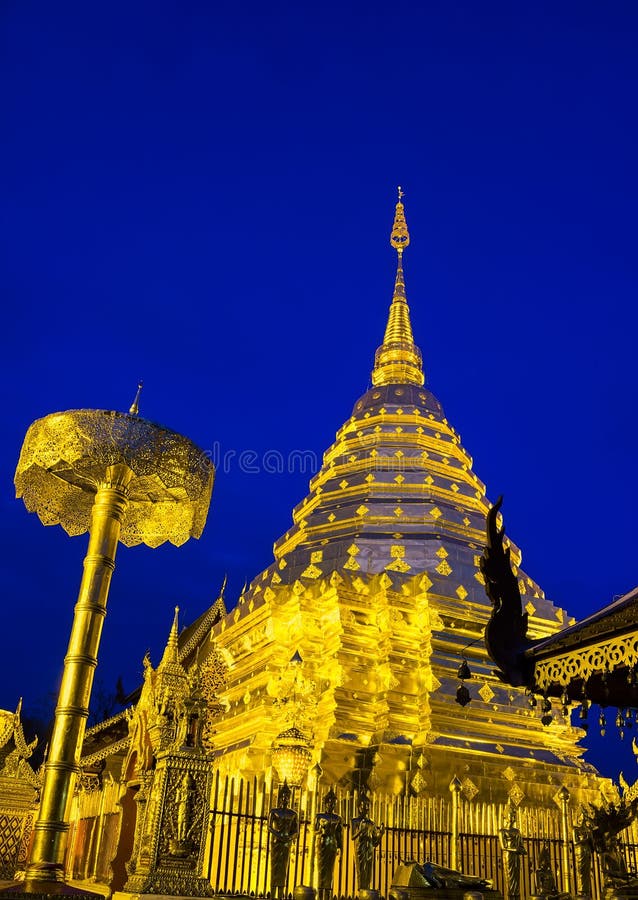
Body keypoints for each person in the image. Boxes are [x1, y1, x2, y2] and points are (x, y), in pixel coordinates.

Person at [268, 781, 299, 898]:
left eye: (287, 797)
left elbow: (296, 831)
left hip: (286, 842)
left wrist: (289, 837)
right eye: (283, 796)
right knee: (275, 866)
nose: (285, 799)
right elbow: (269, 827)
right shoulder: (274, 812)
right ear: (280, 797)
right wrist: (278, 834)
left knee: (283, 867)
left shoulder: (293, 814)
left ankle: (280, 894)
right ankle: (272, 894)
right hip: (276, 841)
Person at [351, 793, 384, 892]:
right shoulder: (355, 821)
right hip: (360, 849)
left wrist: (381, 834)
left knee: (368, 871)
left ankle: (367, 890)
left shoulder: (371, 823)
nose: (366, 808)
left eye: (367, 805)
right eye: (363, 805)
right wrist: (360, 830)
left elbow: (375, 842)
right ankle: (361, 890)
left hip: (369, 849)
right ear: (359, 807)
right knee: (361, 870)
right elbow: (352, 837)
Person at [315, 789, 343, 900]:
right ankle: (320, 892)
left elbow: (339, 835)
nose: (331, 805)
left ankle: (327, 893)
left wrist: (341, 849)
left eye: (333, 803)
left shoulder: (338, 818)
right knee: (321, 869)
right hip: (321, 843)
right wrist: (321, 831)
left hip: (332, 844)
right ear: (325, 803)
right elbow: (313, 831)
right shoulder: (319, 816)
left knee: (329, 870)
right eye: (329, 803)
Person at [499, 805, 526, 900]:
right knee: (509, 876)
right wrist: (515, 850)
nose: (513, 818)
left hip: (516, 857)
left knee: (516, 876)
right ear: (506, 817)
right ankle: (510, 895)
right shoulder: (502, 831)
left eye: (514, 816)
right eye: (511, 815)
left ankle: (517, 894)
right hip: (508, 856)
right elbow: (503, 847)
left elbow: (521, 845)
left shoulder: (517, 831)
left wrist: (522, 850)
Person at [573, 806, 593, 898]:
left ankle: (587, 890)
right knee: (581, 871)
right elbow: (575, 842)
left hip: (587, 851)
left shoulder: (588, 830)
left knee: (587, 872)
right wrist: (585, 839)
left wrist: (590, 837)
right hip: (580, 851)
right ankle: (581, 891)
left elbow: (592, 845)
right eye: (581, 816)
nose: (583, 818)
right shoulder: (576, 830)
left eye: (585, 816)